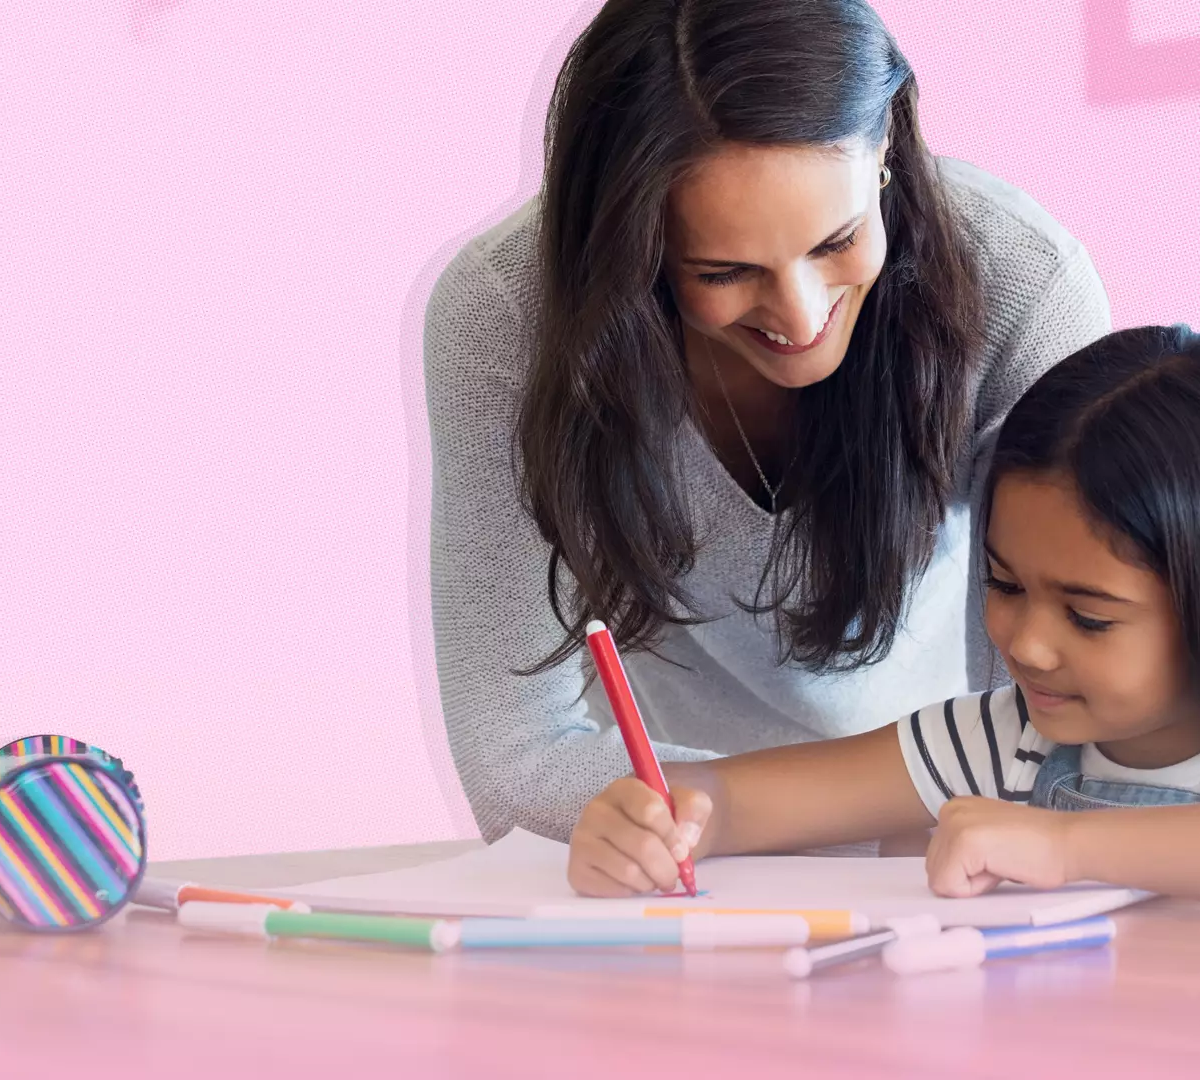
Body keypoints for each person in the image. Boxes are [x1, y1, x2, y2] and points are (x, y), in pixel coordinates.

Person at [424, 0, 1110, 841]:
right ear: (630, 250)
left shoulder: (1020, 283)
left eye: (839, 240)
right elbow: (515, 758)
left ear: (887, 151)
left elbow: (1068, 712)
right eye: (725, 270)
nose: (801, 312)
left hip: (936, 853)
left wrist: (734, 812)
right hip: (661, 870)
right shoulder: (505, 314)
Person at [567, 326, 1200, 920]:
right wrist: (668, 819)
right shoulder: (1001, 742)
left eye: (1089, 616)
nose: (1026, 644)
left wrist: (1066, 845)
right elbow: (743, 800)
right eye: (1003, 584)